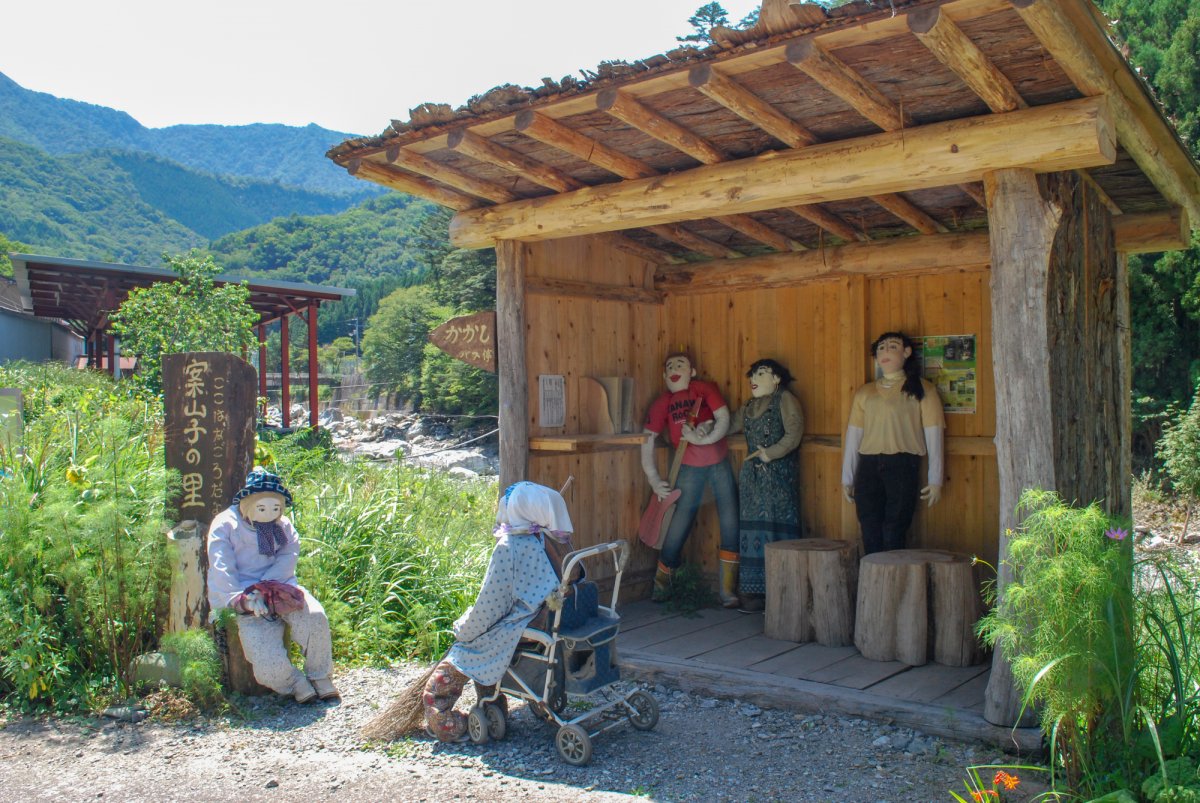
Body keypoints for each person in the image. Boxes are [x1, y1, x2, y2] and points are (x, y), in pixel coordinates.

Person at [423, 481, 577, 743]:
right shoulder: (550, 538)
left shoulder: (510, 548)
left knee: (440, 681)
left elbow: (490, 606)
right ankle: (493, 705)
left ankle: (455, 726)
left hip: (522, 624)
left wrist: (465, 630)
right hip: (551, 616)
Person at [207, 468, 339, 703]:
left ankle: (320, 675)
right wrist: (242, 599)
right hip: (247, 596)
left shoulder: (283, 526)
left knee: (315, 618)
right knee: (265, 658)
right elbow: (221, 566)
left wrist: (270, 586)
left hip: (282, 587)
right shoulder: (225, 525)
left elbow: (289, 555)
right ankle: (294, 681)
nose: (270, 513)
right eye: (262, 507)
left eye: (275, 508)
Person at [641, 351, 739, 606]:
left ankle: (728, 589)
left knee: (730, 520)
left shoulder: (703, 389)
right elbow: (646, 440)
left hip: (719, 463)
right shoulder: (663, 402)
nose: (675, 368)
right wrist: (653, 478)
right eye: (670, 366)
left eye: (680, 364)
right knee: (679, 523)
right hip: (688, 469)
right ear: (664, 375)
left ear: (692, 371)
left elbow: (723, 418)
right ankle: (662, 584)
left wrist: (703, 438)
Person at [841, 332, 946, 554]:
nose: (884, 352)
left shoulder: (923, 389)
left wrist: (935, 478)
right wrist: (847, 477)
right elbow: (853, 437)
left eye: (892, 346)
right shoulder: (865, 392)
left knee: (895, 527)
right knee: (868, 524)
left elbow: (934, 434)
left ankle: (892, 583)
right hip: (868, 465)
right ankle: (871, 582)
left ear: (906, 352)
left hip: (903, 464)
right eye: (880, 348)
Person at [730, 358, 804, 611]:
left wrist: (771, 453)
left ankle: (781, 589)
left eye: (762, 373)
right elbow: (729, 425)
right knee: (751, 529)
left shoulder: (785, 399)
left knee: (776, 526)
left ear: (776, 379)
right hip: (752, 476)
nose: (754, 379)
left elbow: (794, 433)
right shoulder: (749, 406)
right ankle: (753, 592)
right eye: (753, 374)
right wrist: (705, 428)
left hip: (778, 474)